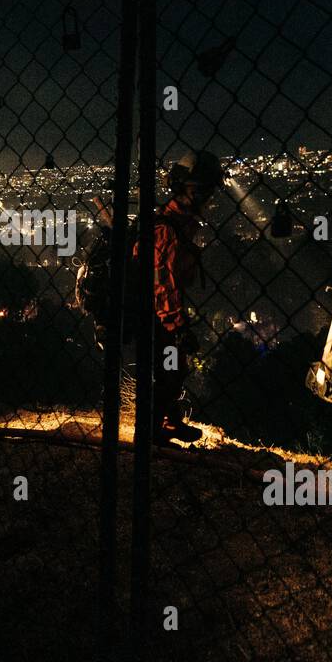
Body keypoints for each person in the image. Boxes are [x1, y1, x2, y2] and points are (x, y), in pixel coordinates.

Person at [140, 150, 222, 445]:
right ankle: (154, 430)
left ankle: (167, 422)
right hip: (157, 315)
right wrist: (177, 326)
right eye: (199, 191)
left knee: (171, 368)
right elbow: (162, 284)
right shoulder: (168, 230)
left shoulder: (177, 223)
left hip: (159, 313)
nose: (204, 198)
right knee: (170, 369)